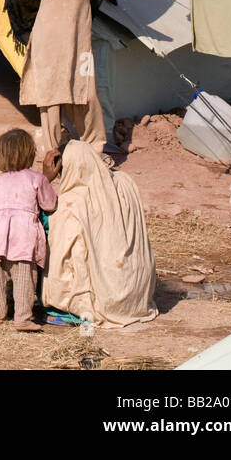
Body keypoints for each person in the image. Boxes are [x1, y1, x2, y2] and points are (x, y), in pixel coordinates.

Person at [7, 0, 135, 164]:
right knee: (50, 100)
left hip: (77, 43)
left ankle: (95, 152)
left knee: (84, 96)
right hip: (47, 42)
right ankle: (52, 156)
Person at [43, 140, 158, 330]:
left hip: (104, 301)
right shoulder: (124, 182)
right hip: (138, 297)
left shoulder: (71, 202)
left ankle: (71, 308)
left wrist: (44, 179)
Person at [0, 128, 59, 332]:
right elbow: (49, 204)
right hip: (21, 234)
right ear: (30, 154)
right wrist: (49, 180)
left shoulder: (0, 180)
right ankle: (22, 318)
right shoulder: (36, 178)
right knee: (24, 276)